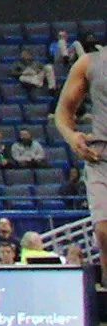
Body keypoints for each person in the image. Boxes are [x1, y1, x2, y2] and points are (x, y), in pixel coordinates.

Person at [51, 39, 106, 267]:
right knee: (104, 231)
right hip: (101, 157)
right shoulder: (90, 63)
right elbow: (63, 113)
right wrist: (72, 137)